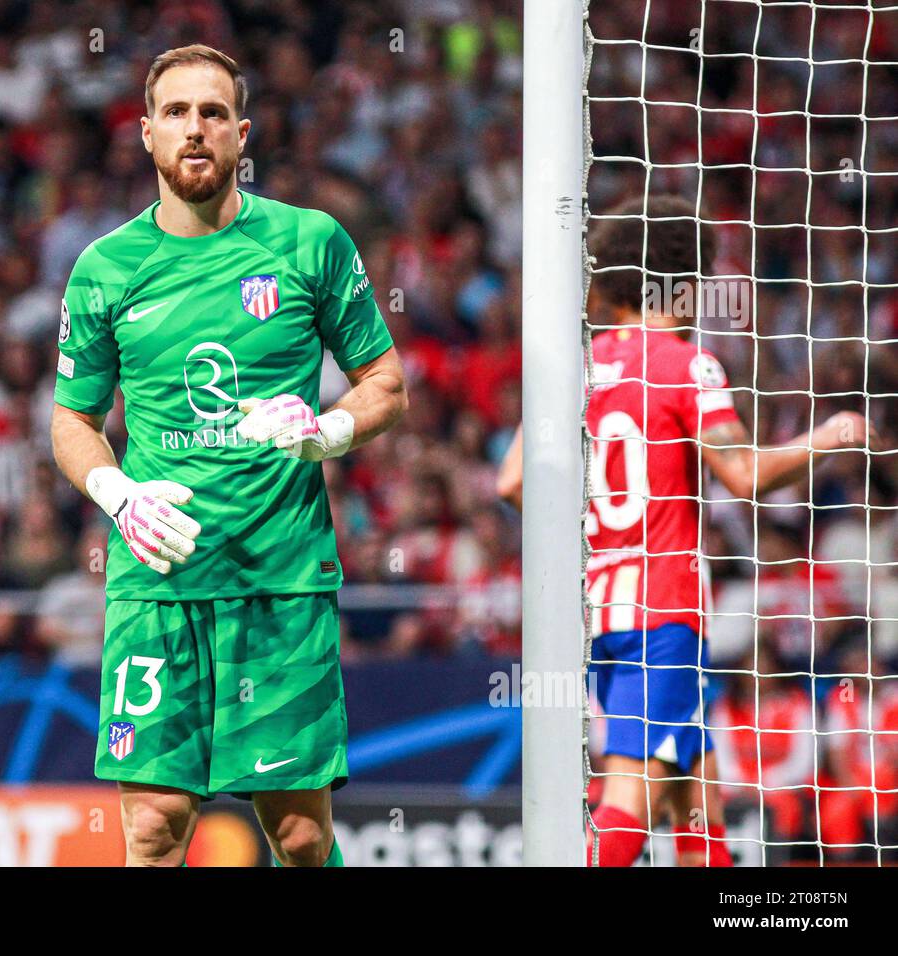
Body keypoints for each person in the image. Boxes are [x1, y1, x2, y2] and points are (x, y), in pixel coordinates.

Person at [50, 45, 407, 867]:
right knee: (152, 828)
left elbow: (385, 384)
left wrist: (327, 431)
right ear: (145, 135)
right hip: (156, 581)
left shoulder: (309, 243)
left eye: (213, 113)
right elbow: (72, 419)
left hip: (277, 579)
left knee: (300, 835)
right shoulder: (105, 270)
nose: (195, 129)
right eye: (175, 113)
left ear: (243, 134)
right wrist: (118, 494)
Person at [497, 193, 876, 866]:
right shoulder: (686, 365)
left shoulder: (575, 369)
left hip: (600, 610)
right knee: (629, 800)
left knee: (696, 804)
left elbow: (512, 482)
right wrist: (831, 435)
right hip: (664, 611)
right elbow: (741, 474)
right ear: (683, 281)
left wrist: (591, 536)